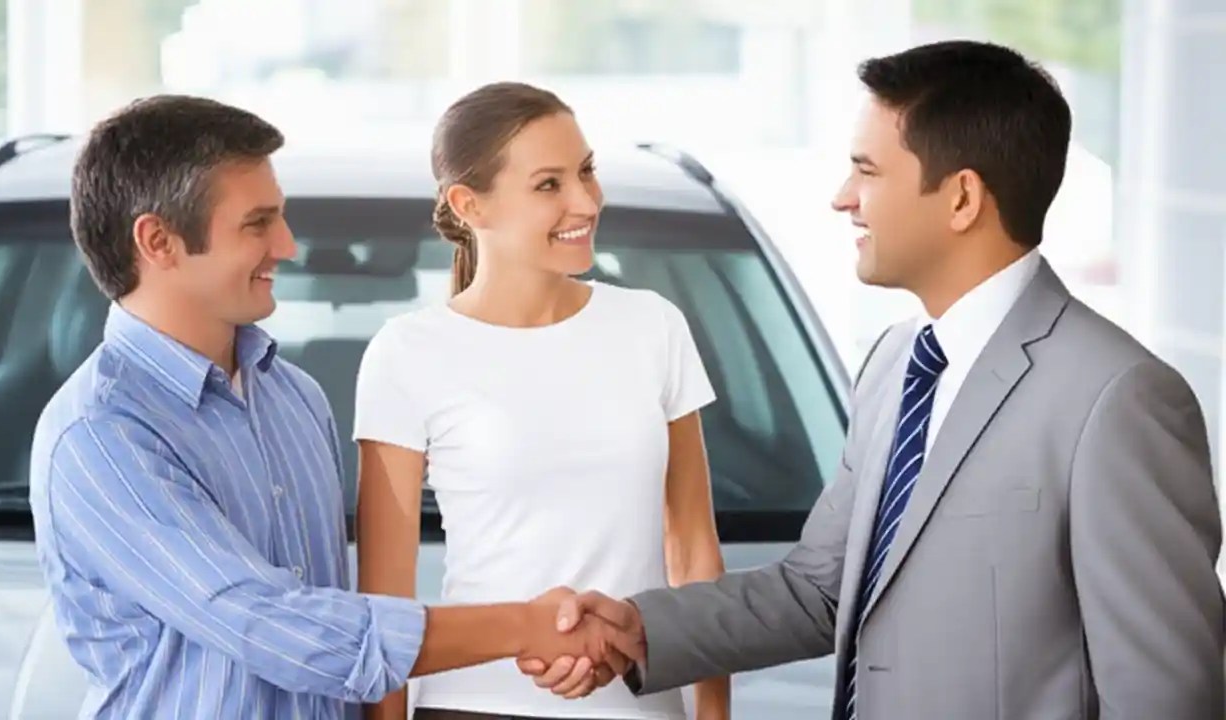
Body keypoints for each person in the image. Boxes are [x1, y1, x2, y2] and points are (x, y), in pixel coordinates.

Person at [524, 40, 1226, 719]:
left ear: (962, 199)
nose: (843, 198)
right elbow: (822, 591)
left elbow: (1168, 695)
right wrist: (639, 628)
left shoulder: (1118, 399)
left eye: (867, 171)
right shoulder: (896, 363)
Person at [27, 94, 632, 720]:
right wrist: (527, 626)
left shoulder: (293, 397)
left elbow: (340, 618)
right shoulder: (102, 436)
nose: (288, 245)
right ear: (159, 241)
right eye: (257, 224)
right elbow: (272, 626)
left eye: (280, 218)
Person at [352, 81, 730, 720]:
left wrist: (715, 715)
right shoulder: (407, 353)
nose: (585, 200)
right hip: (475, 704)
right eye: (549, 184)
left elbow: (694, 553)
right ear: (469, 205)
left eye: (587, 171)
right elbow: (384, 604)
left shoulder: (652, 326)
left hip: (642, 707)